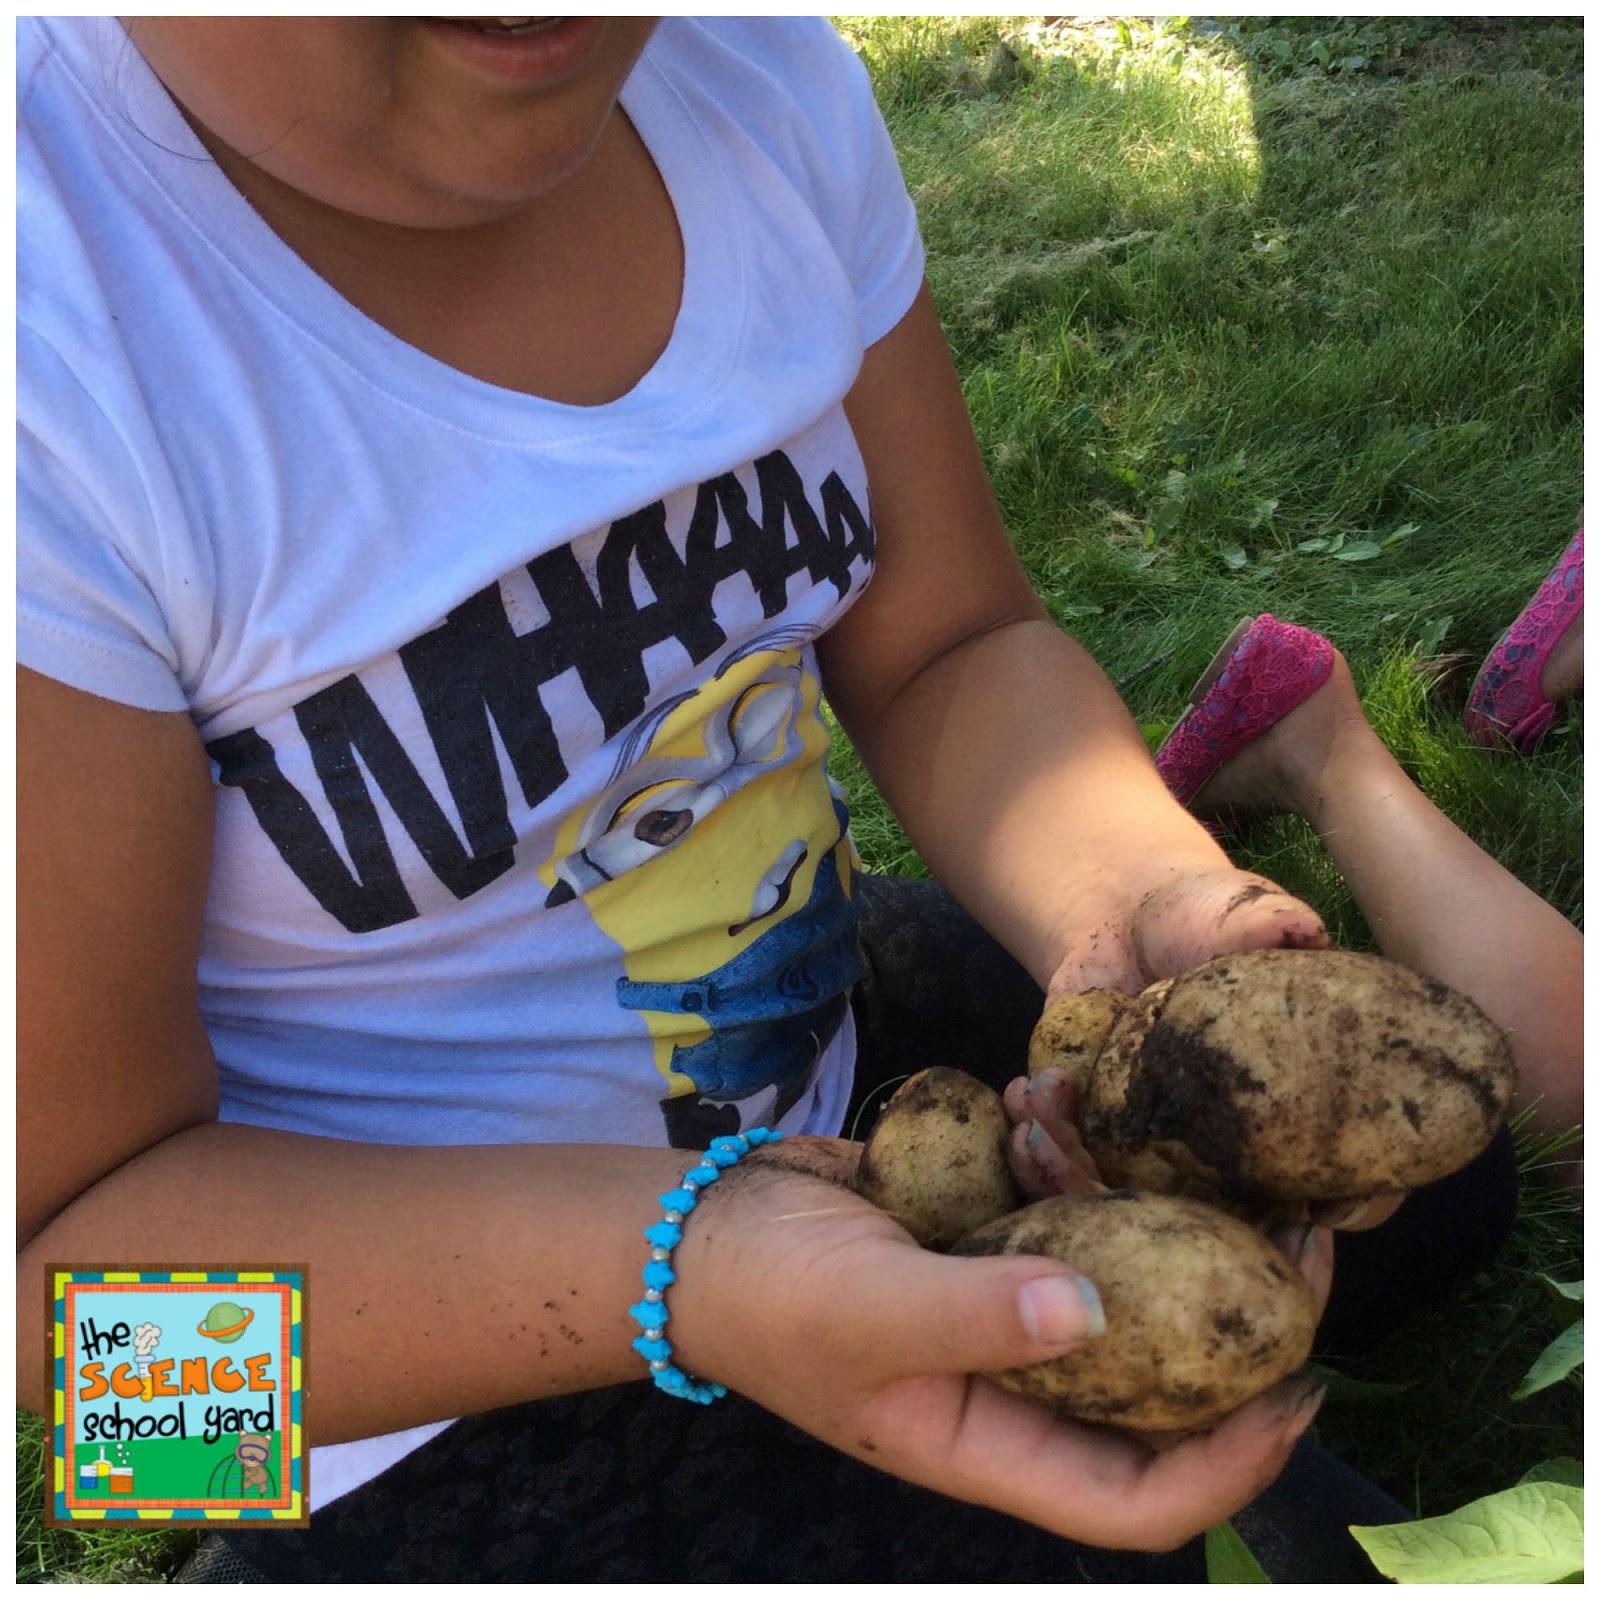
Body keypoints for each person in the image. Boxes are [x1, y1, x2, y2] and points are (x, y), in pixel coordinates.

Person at [20, 16, 1485, 1582]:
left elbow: (951, 642)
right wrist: (685, 1278)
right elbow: (73, 1355)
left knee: (1430, 1179)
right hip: (382, 1385)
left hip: (809, 1085)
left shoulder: (749, 76)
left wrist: (1136, 907)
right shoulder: (50, 339)